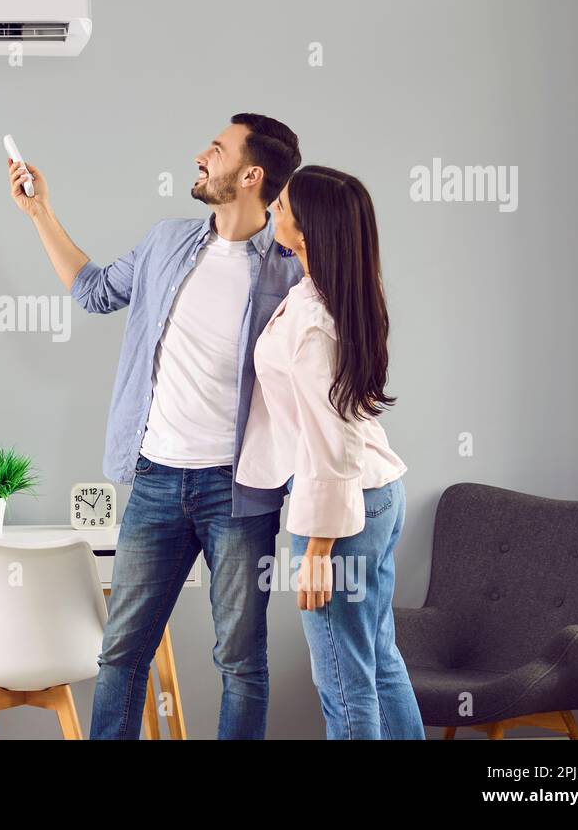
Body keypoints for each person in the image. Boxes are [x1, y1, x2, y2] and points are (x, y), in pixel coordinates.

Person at [6, 114, 302, 739]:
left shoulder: (288, 270)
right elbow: (92, 292)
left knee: (241, 662)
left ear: (252, 175)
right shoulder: (167, 242)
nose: (201, 156)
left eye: (216, 150)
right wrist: (41, 213)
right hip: (157, 482)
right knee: (120, 654)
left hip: (239, 491)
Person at [236, 165, 425, 739]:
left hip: (342, 512)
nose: (276, 209)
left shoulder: (317, 322)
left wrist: (318, 548)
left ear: (309, 228)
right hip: (375, 494)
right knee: (377, 659)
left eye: (286, 205)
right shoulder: (326, 293)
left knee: (342, 680)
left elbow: (332, 440)